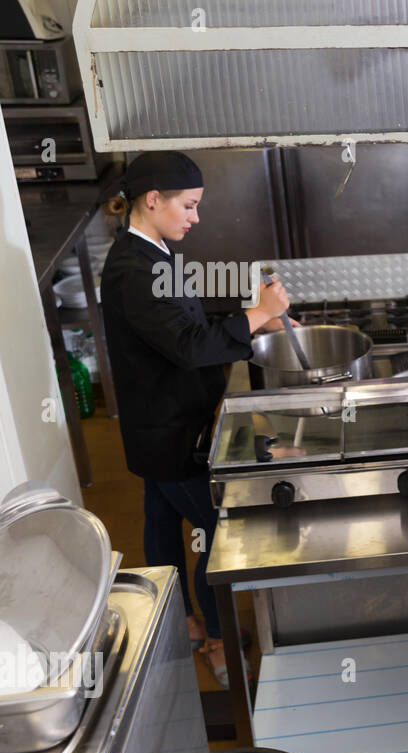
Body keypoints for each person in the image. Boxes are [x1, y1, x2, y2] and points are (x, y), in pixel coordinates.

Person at [99, 151, 291, 688]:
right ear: (152, 199)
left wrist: (253, 320)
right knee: (214, 531)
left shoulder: (150, 251)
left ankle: (180, 622)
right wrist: (256, 316)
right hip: (173, 429)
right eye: (189, 205)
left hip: (159, 424)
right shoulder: (133, 271)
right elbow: (187, 345)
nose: (196, 217)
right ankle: (216, 640)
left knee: (161, 521)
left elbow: (183, 319)